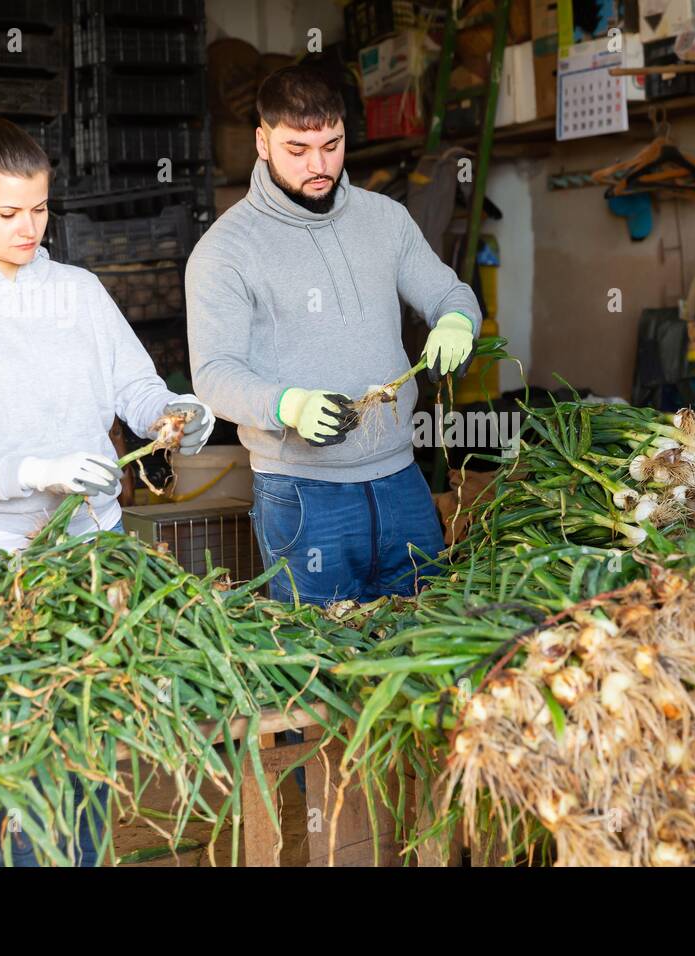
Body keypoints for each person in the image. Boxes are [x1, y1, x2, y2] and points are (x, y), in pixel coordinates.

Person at [0, 106, 214, 865]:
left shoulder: (78, 290)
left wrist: (174, 413)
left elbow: (135, 387)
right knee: (20, 763)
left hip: (95, 564)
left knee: (87, 758)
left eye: (39, 209)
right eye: (8, 212)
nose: (29, 227)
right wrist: (32, 471)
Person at [186, 66, 480, 608]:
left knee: (430, 632)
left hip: (401, 480)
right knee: (323, 656)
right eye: (296, 149)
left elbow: (448, 292)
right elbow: (213, 373)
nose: (318, 166)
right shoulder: (226, 249)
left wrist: (458, 320)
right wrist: (286, 404)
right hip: (301, 492)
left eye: (331, 145)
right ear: (262, 141)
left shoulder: (385, 219)